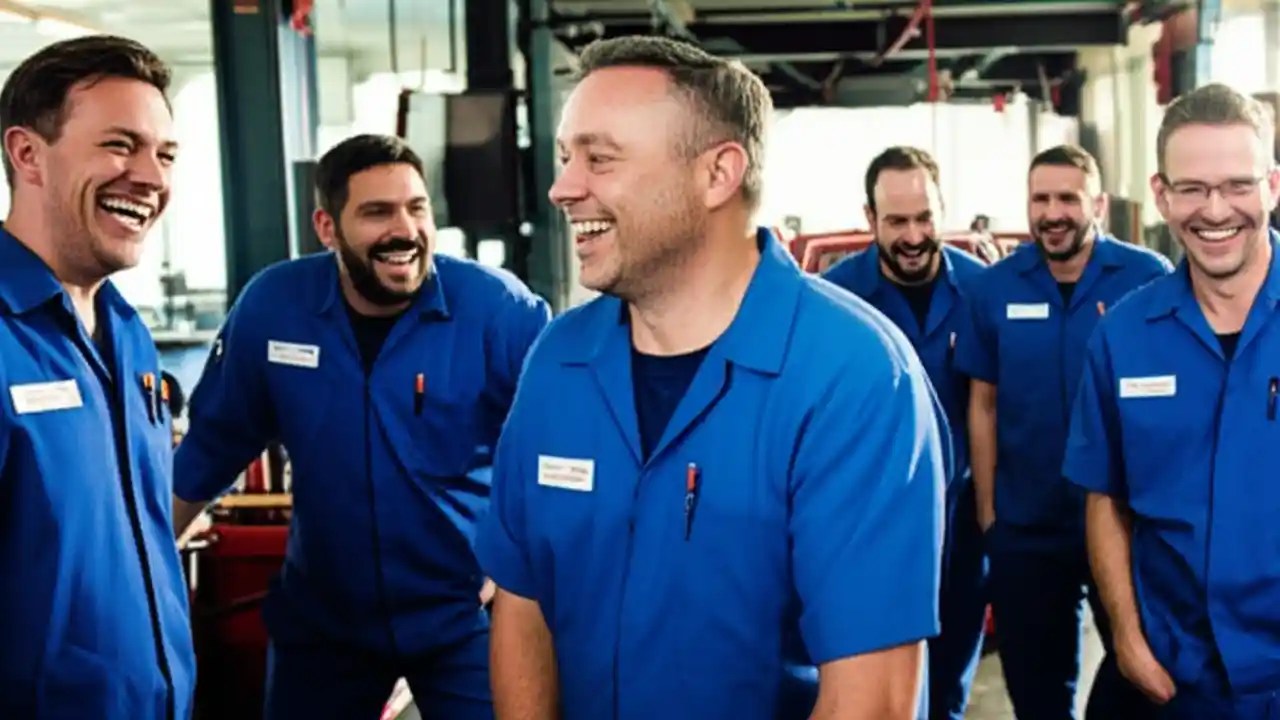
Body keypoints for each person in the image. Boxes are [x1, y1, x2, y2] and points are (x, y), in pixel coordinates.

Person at [476, 35, 946, 720]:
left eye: (599, 159)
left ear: (718, 174)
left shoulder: (854, 376)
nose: (563, 188)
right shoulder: (558, 363)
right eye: (565, 158)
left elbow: (869, 703)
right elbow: (522, 608)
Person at [171, 134, 551, 719]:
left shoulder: (497, 310)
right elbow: (210, 451)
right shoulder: (275, 308)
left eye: (416, 208)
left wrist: (519, 567)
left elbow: (555, 455)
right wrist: (130, 571)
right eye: (377, 212)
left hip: (464, 614)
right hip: (324, 624)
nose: (404, 230)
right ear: (327, 227)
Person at [1064, 83, 1280, 718]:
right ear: (1161, 194)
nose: (1215, 210)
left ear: (1272, 185)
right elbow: (1105, 497)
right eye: (1192, 189)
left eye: (1238, 185)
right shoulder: (1123, 338)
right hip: (1173, 680)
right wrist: (1127, 641)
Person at [0, 36, 195, 719]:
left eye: (165, 154)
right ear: (28, 155)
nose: (151, 177)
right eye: (120, 145)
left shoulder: (129, 336)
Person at [953, 144, 1172, 720]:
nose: (1053, 212)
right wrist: (988, 514)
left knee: (1146, 672)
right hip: (1026, 527)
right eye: (1040, 198)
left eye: (1067, 198)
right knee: (1036, 689)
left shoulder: (1147, 279)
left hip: (1124, 518)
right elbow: (984, 403)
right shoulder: (995, 289)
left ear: (1096, 203)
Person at [823, 146, 988, 720]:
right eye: (897, 221)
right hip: (867, 529)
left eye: (925, 218)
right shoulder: (834, 302)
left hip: (961, 529)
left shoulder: (981, 294)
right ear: (869, 220)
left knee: (948, 689)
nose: (913, 235)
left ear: (944, 211)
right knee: (874, 688)